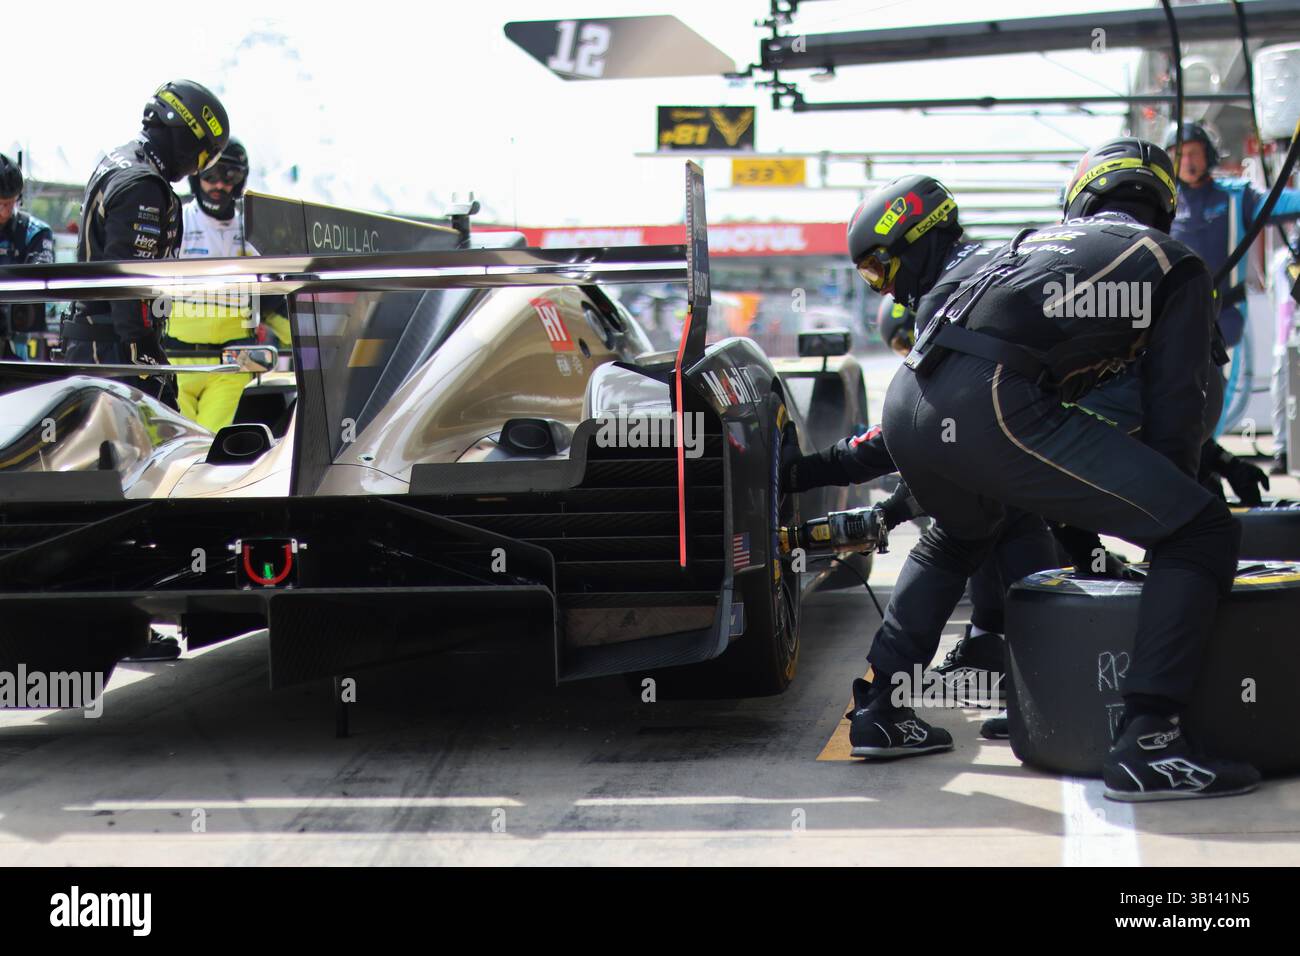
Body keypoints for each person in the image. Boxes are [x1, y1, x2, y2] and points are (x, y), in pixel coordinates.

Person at [840, 138, 1258, 801]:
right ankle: (1150, 741)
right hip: (990, 401)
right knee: (1199, 528)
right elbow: (1176, 408)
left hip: (909, 400)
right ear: (1163, 205)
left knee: (960, 535)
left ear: (1081, 196)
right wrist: (1171, 513)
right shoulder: (1171, 262)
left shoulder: (1034, 243)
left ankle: (879, 710)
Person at [61, 80, 230, 407]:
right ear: (187, 137)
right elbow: (128, 282)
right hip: (112, 352)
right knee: (146, 440)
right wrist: (146, 357)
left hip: (94, 345)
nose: (198, 168)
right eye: (204, 156)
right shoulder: (144, 185)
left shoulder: (119, 160)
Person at [1165, 121, 1300, 471]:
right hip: (1174, 320)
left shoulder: (1236, 196)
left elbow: (1283, 204)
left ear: (1208, 155)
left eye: (1194, 153)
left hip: (1225, 319)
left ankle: (1202, 461)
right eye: (1180, 155)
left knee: (1213, 398)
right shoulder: (1163, 201)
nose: (1188, 161)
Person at [168, 137, 290, 431]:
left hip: (232, 362)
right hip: (177, 361)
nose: (219, 185)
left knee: (211, 442)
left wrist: (315, 342)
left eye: (230, 176)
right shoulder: (176, 221)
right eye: (210, 175)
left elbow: (272, 299)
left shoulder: (254, 232)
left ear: (240, 181)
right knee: (176, 443)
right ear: (196, 176)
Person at [0, 153, 55, 357]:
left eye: (9, 203)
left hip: (15, 346)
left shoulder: (35, 232)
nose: (3, 211)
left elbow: (43, 281)